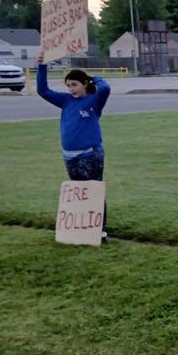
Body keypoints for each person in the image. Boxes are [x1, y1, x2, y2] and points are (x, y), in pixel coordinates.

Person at [36, 53, 112, 237]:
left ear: (84, 84)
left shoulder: (93, 100)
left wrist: (92, 78)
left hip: (90, 154)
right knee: (78, 191)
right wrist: (42, 66)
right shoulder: (66, 100)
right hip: (70, 155)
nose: (71, 89)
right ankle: (81, 226)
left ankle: (99, 228)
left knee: (93, 189)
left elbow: (105, 88)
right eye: (68, 85)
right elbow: (43, 90)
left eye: (75, 85)